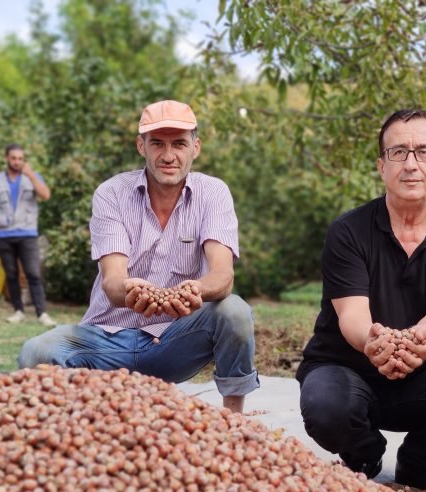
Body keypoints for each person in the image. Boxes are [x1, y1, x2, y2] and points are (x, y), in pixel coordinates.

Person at [297, 109, 426, 492]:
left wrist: (415, 342)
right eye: (398, 153)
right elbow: (352, 314)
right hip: (349, 368)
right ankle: (364, 458)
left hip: (423, 374)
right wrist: (374, 341)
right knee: (326, 404)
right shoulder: (348, 231)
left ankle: (419, 466)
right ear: (381, 166)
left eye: (424, 152)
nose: (411, 164)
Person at [18, 100, 258, 413]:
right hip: (105, 340)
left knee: (235, 311)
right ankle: (62, 434)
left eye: (179, 144)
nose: (169, 155)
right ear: (140, 146)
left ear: (195, 148)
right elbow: (114, 281)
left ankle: (232, 423)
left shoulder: (213, 193)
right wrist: (134, 290)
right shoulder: (112, 193)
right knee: (37, 350)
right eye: (157, 143)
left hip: (173, 342)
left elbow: (222, 276)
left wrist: (195, 289)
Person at [0, 143, 56, 326]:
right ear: (7, 158)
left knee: (33, 273)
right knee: (11, 274)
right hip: (3, 234)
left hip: (27, 233)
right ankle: (18, 311)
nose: (17, 162)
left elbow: (46, 195)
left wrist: (30, 174)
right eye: (14, 158)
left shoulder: (32, 176)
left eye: (20, 159)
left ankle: (42, 314)